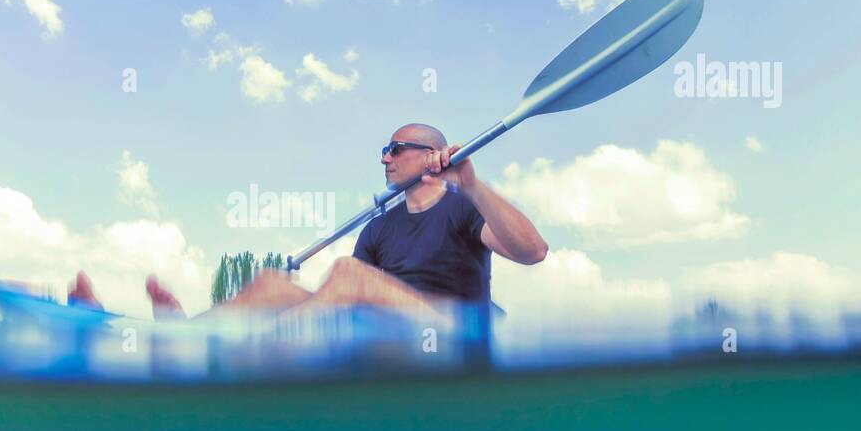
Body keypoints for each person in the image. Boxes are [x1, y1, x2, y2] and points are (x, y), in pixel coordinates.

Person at [68, 123, 547, 321]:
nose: (384, 159)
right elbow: (345, 303)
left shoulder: (464, 206)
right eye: (383, 151)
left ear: (429, 156)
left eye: (395, 149)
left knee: (346, 275)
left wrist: (472, 185)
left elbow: (533, 251)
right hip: (387, 333)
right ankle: (187, 337)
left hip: (448, 334)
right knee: (272, 284)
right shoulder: (378, 229)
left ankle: (247, 355)